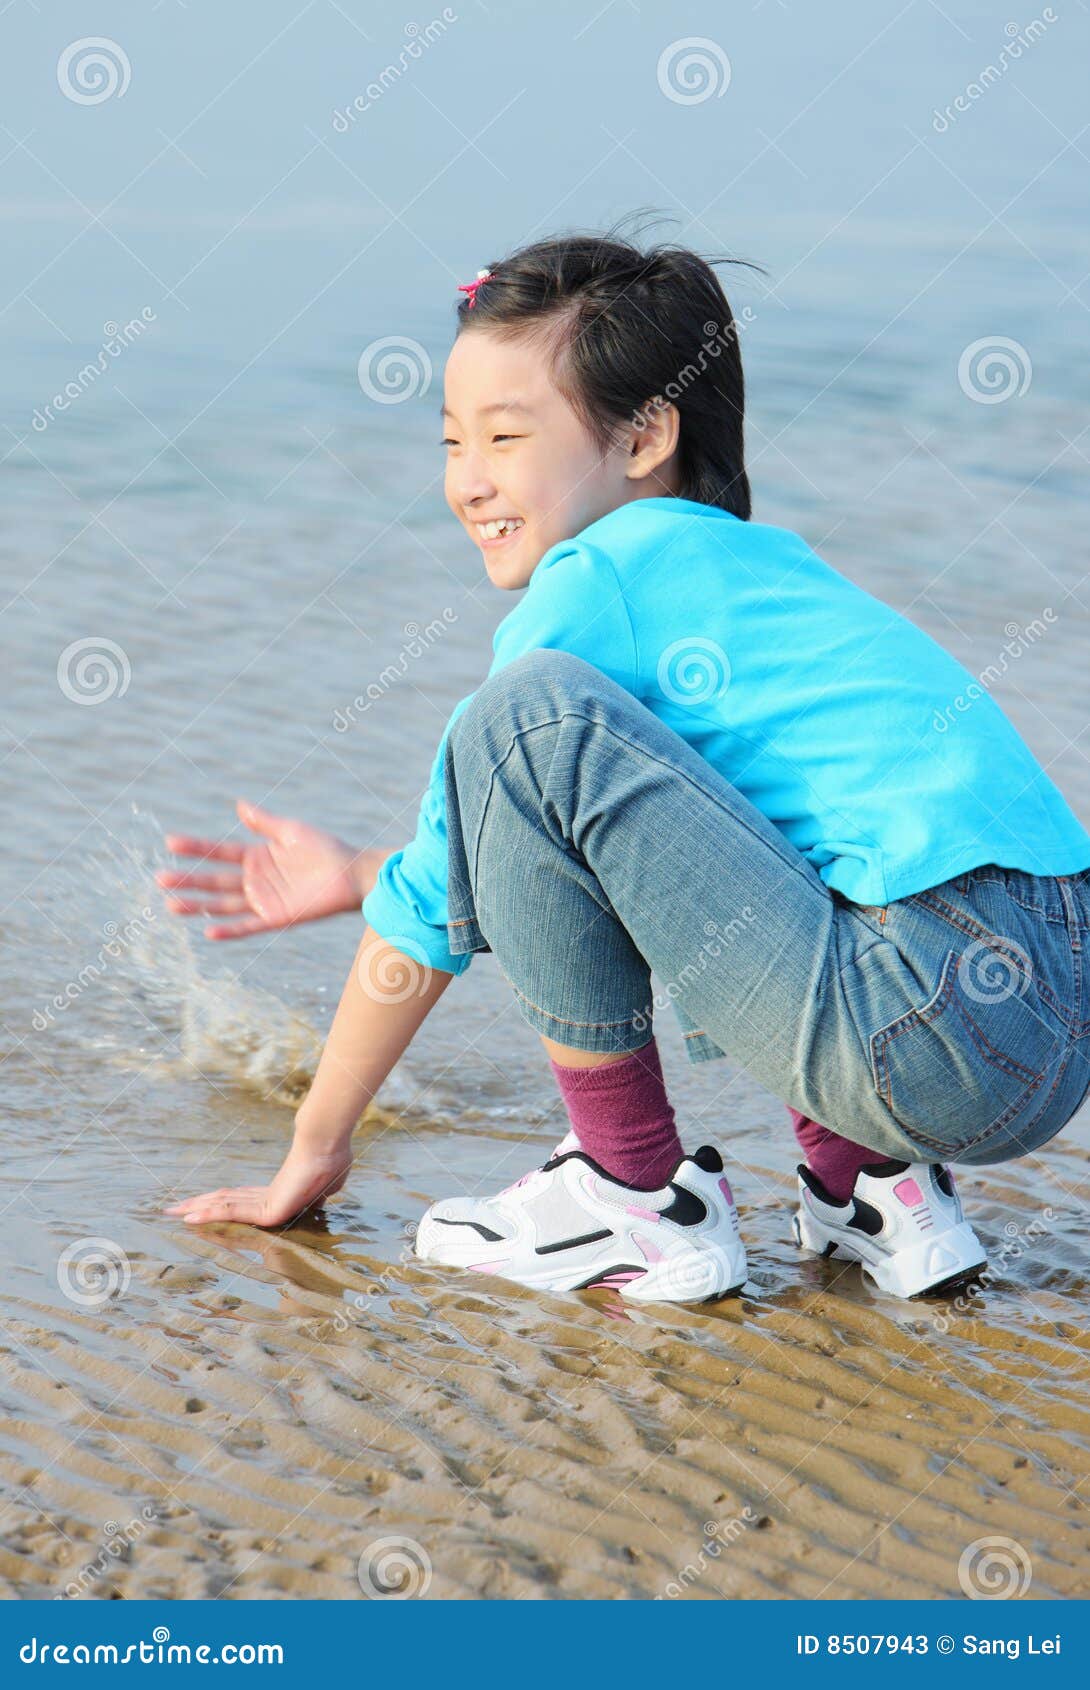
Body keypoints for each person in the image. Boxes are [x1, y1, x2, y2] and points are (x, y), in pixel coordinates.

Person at [160, 224, 1090, 1305]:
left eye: (504, 438)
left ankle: (627, 1192)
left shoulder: (599, 577)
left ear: (645, 434)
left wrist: (311, 1149)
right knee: (735, 815)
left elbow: (443, 885)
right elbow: (631, 864)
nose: (467, 483)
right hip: (1048, 1013)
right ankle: (872, 1189)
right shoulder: (768, 573)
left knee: (513, 720)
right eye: (451, 442)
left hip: (914, 1023)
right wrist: (359, 871)